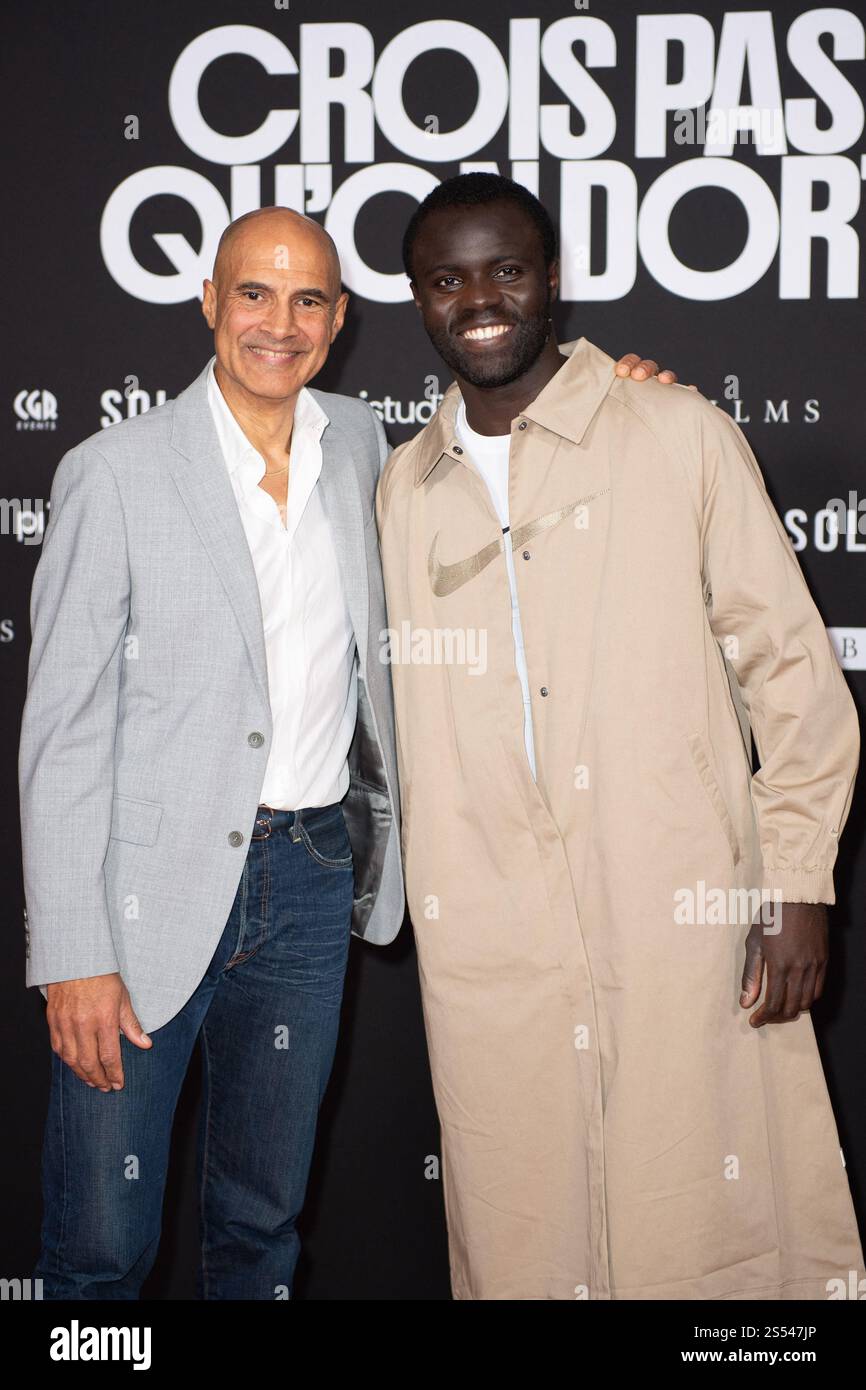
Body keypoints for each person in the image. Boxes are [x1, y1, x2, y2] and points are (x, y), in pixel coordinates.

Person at [19, 202, 672, 1299]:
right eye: (254, 293)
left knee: (261, 1226)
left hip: (312, 881)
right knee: (96, 1248)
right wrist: (72, 949)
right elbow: (61, 731)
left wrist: (626, 404)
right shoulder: (114, 470)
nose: (280, 322)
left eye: (307, 298)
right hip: (138, 904)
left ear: (338, 319)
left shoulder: (367, 448)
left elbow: (509, 448)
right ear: (209, 305)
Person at [375, 173, 864, 1301]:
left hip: (679, 900)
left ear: (552, 281)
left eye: (505, 269)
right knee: (519, 1226)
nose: (479, 299)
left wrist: (795, 879)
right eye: (446, 279)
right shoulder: (400, 489)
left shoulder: (676, 432)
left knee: (713, 1217)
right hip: (489, 923)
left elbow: (788, 666)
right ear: (418, 301)